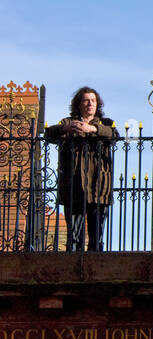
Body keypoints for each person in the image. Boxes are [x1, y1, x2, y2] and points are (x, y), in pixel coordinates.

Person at [44, 88, 119, 251]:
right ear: (78, 104)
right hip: (74, 185)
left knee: (96, 238)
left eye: (93, 100)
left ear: (97, 104)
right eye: (86, 100)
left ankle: (96, 264)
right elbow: (48, 134)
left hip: (99, 186)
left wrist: (92, 129)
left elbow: (115, 135)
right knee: (75, 238)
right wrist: (66, 129)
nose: (90, 103)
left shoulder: (105, 123)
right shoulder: (68, 122)